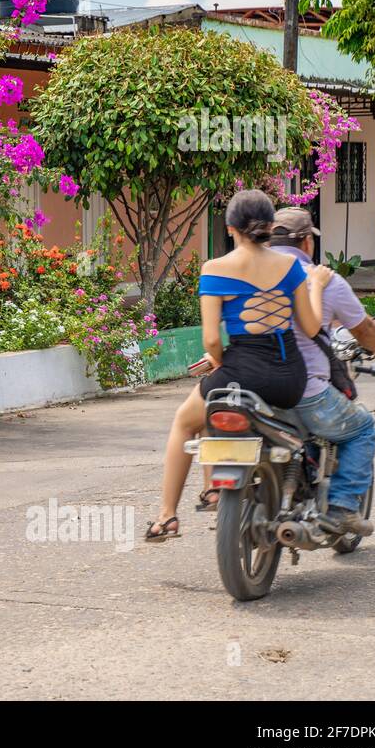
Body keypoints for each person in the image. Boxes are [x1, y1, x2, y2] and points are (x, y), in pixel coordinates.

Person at [146, 190, 331, 542]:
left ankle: (167, 515)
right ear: (270, 227)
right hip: (288, 375)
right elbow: (310, 327)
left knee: (185, 422)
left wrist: (218, 362)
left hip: (241, 372)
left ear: (230, 227)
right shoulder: (290, 267)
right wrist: (316, 287)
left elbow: (212, 341)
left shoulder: (215, 269)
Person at [270, 207, 375, 536]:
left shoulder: (249, 272)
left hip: (251, 385)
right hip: (304, 389)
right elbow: (364, 328)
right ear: (306, 244)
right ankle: (341, 508)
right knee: (363, 428)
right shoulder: (323, 279)